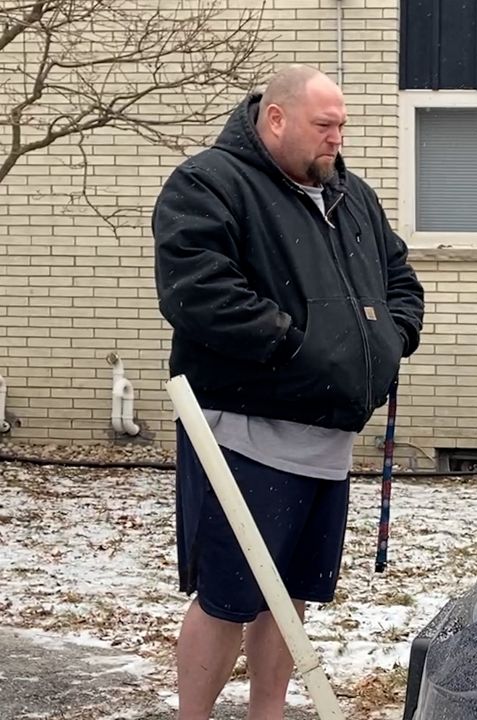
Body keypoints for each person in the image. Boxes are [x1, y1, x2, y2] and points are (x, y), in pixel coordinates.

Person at [152, 65, 424, 720]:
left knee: (291, 593)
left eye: (341, 126)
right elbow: (201, 294)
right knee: (228, 595)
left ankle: (266, 713)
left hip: (328, 436)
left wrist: (392, 339)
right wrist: (299, 347)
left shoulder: (351, 197)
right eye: (323, 126)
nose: (336, 139)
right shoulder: (209, 185)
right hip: (242, 433)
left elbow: (399, 278)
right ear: (275, 119)